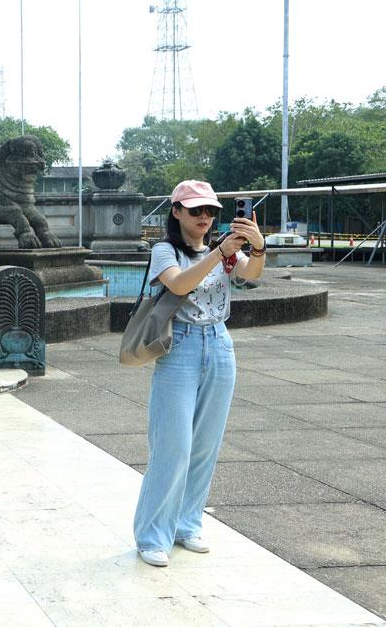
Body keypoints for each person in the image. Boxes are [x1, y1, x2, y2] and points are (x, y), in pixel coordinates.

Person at [133, 180, 266, 567]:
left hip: (219, 343)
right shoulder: (165, 250)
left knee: (206, 444)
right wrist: (219, 252)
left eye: (210, 211)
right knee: (173, 446)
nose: (204, 218)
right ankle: (152, 534)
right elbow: (179, 283)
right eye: (195, 211)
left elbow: (253, 274)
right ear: (176, 212)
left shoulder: (224, 251)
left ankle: (186, 524)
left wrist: (256, 246)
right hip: (180, 346)